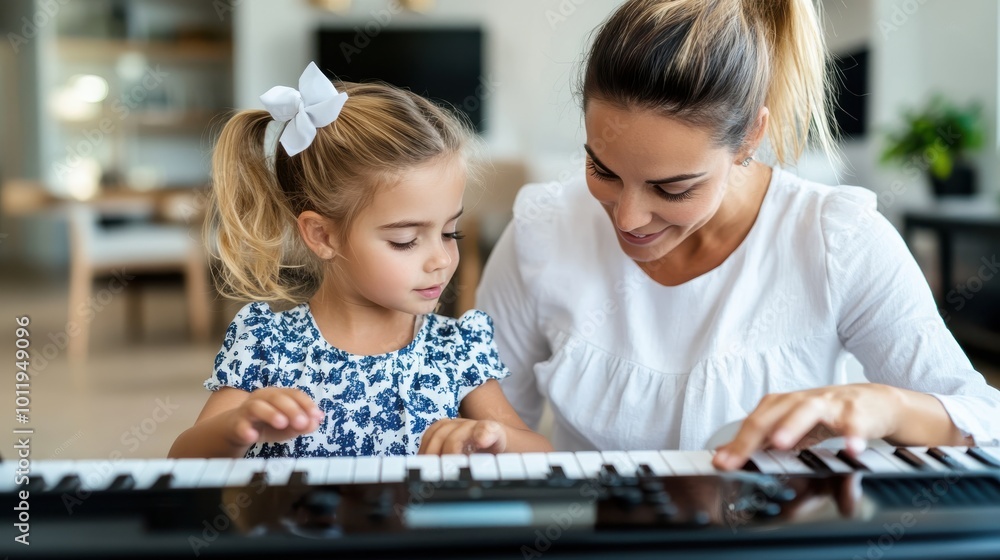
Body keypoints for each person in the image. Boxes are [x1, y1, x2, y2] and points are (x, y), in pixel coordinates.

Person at [476, 0, 1000, 470]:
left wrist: (884, 405)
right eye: (603, 170)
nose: (629, 218)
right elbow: (497, 436)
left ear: (750, 136)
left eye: (673, 188)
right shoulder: (541, 230)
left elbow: (983, 422)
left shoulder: (838, 240)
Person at [169, 62, 551, 459]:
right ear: (323, 235)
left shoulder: (453, 348)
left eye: (449, 232)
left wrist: (496, 440)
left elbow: (542, 453)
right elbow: (182, 460)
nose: (440, 258)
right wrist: (236, 428)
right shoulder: (267, 344)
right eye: (405, 241)